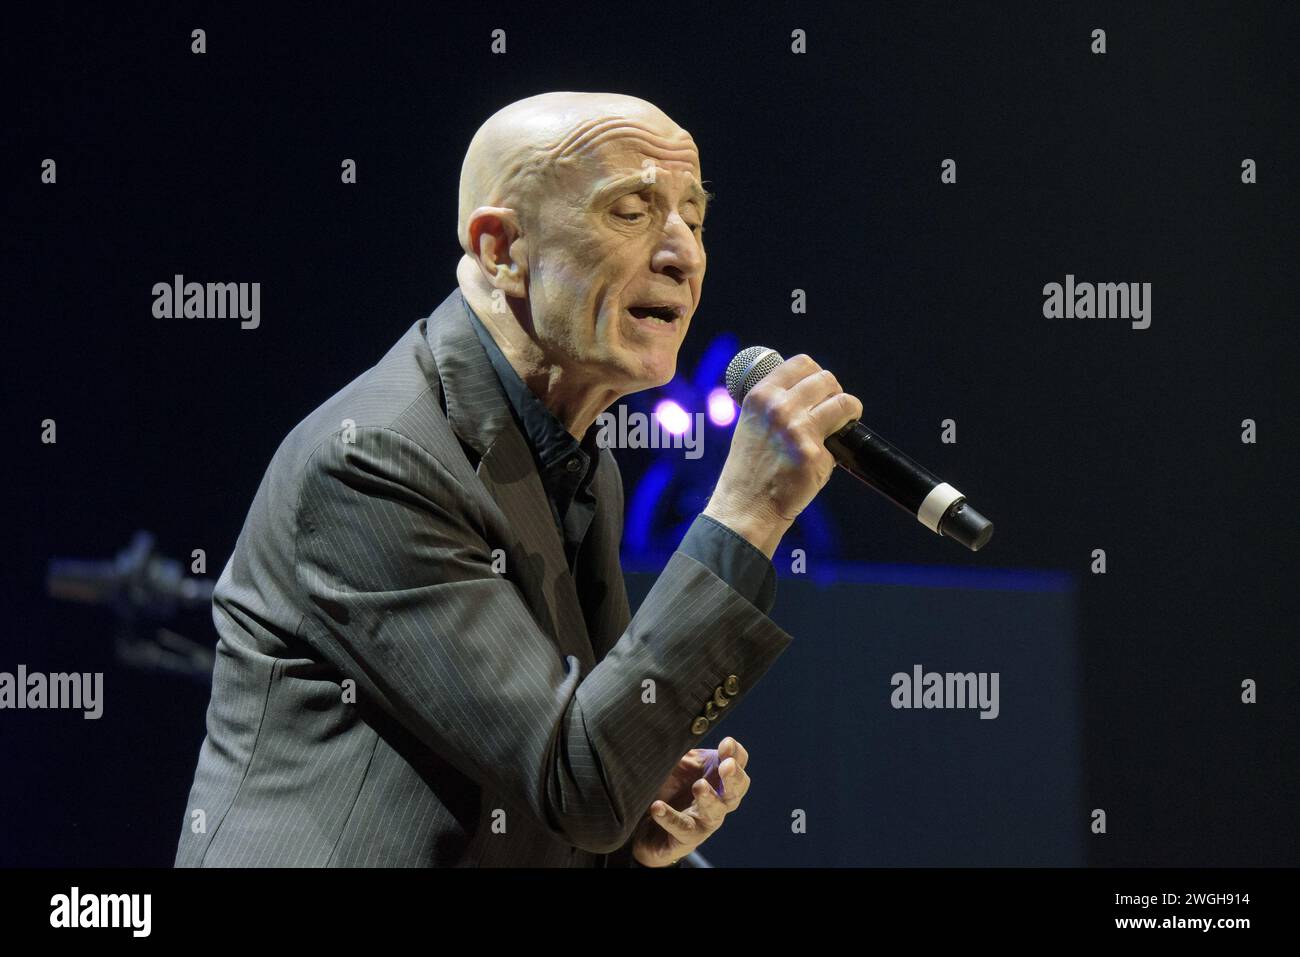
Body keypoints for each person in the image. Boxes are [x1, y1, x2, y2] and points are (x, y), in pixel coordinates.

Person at [174, 91, 862, 867]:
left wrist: (645, 810)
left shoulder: (582, 462)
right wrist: (747, 511)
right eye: (633, 211)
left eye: (694, 219)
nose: (683, 254)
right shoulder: (371, 461)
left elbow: (579, 766)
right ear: (500, 248)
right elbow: (581, 784)